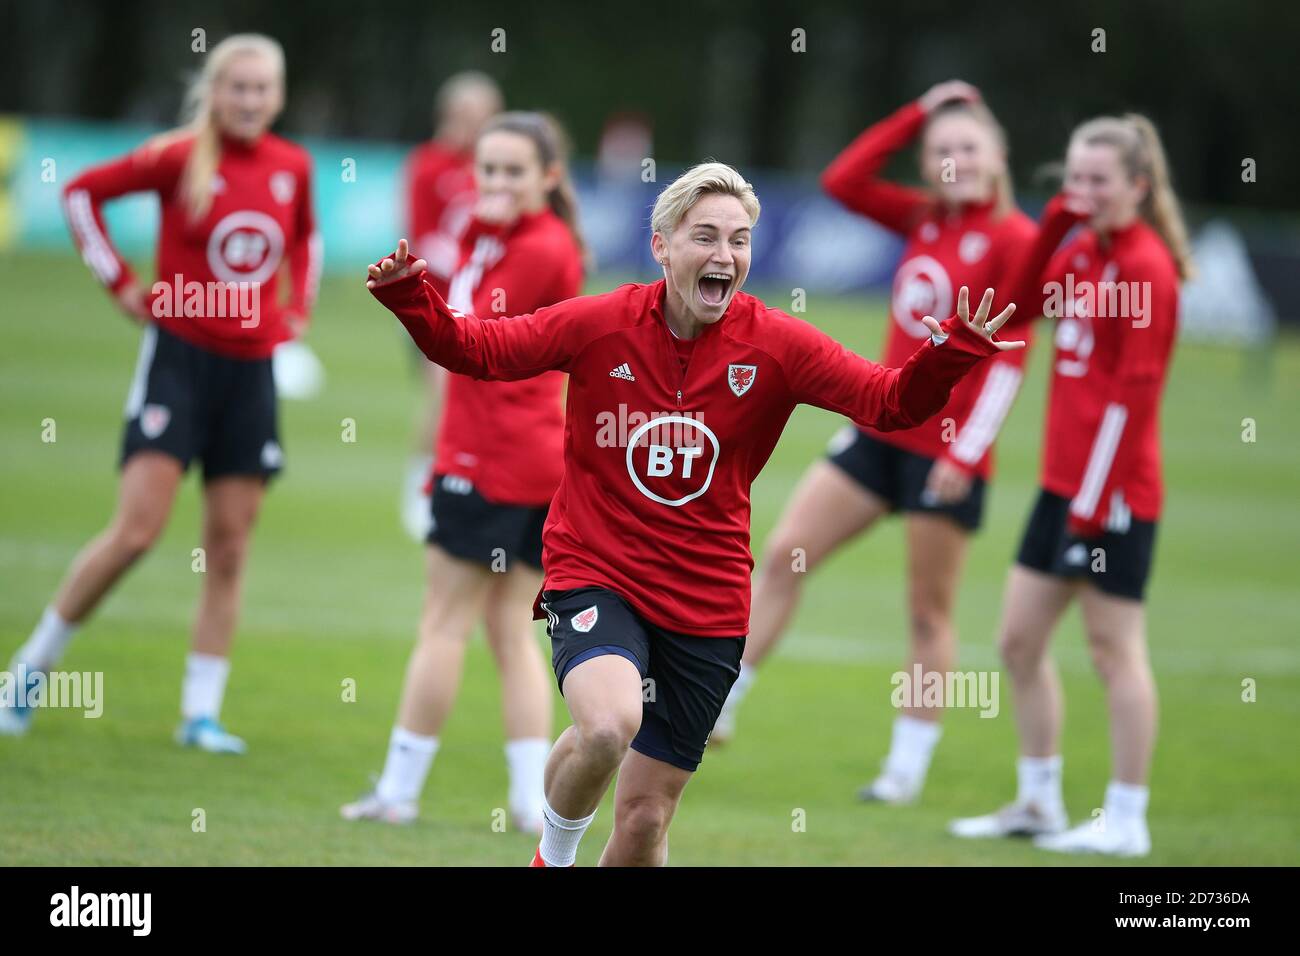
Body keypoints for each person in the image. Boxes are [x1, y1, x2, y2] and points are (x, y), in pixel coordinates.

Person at [366, 161, 1021, 866]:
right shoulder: (600, 323)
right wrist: (413, 299)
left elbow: (890, 402)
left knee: (646, 819)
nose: (724, 255)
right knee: (609, 726)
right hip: (597, 569)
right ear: (662, 246)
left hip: (707, 600)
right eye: (705, 236)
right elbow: (478, 349)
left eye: (739, 241)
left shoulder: (778, 345)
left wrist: (951, 354)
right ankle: (550, 860)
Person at [712, 82, 1038, 807]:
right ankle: (724, 702)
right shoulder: (923, 217)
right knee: (785, 553)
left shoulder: (1016, 240)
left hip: (947, 452)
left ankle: (904, 768)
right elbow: (842, 180)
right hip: (878, 427)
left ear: (998, 156)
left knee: (927, 611)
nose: (955, 161)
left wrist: (964, 453)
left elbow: (1011, 358)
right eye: (942, 150)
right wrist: (918, 111)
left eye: (968, 148)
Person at [0, 34, 320, 752]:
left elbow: (306, 240)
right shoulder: (177, 155)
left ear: (278, 94)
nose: (249, 100)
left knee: (230, 547)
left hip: (251, 373)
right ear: (215, 91)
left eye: (261, 88)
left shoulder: (292, 165)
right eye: (236, 87)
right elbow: (81, 195)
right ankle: (26, 673)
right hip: (177, 361)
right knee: (136, 532)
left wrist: (294, 315)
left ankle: (200, 714)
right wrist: (119, 283)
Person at [949, 114, 1192, 857]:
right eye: (1073, 179)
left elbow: (1135, 394)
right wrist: (1053, 223)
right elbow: (1015, 307)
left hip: (1112, 493)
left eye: (1098, 182)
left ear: (1138, 188)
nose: (1083, 192)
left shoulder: (1147, 267)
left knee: (1114, 650)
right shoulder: (1082, 251)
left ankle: (1127, 817)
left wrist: (1093, 502)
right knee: (1018, 641)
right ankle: (1040, 801)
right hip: (1064, 486)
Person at [341, 113, 585, 832]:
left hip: (492, 459)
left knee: (444, 625)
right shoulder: (496, 236)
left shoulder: (541, 248)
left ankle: (398, 791)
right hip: (522, 460)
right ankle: (527, 802)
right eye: (488, 169)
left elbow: (472, 345)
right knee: (509, 631)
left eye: (515, 171)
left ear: (548, 178)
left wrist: (412, 301)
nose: (497, 183)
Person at [399, 72, 504, 541]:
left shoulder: (497, 167)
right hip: (433, 305)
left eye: (483, 116)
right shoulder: (428, 164)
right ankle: (420, 492)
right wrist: (469, 257)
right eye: (466, 115)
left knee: (482, 405)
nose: (474, 125)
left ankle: (472, 490)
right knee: (444, 398)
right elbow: (422, 236)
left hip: (485, 308)